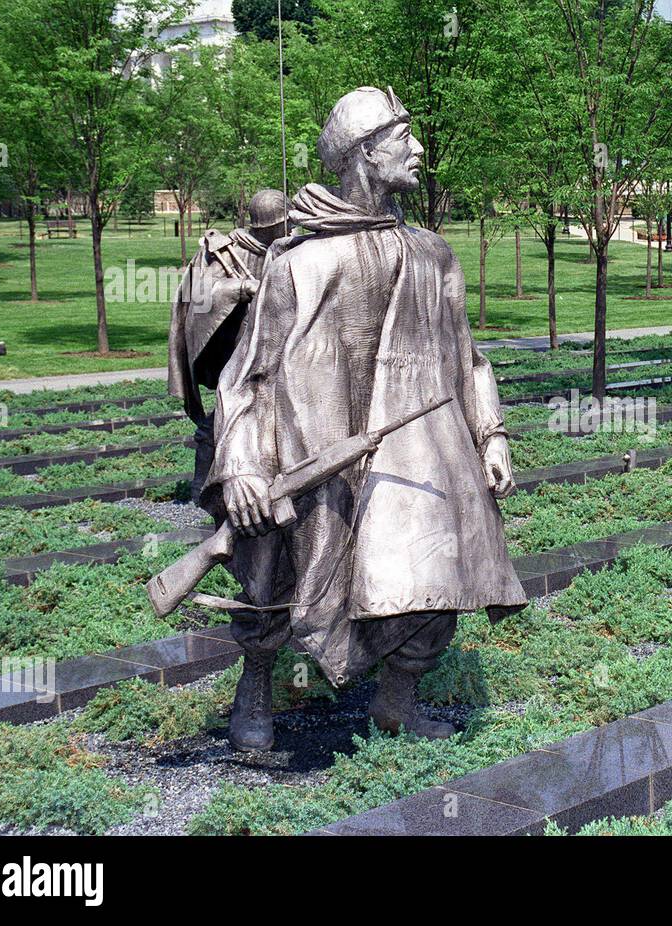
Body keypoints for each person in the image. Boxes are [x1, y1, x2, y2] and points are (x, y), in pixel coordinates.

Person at [205, 86, 528, 751]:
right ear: (363, 152)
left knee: (439, 565)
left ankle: (397, 699)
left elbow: (467, 359)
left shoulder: (432, 255)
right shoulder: (298, 262)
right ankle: (256, 682)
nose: (418, 150)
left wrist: (490, 434)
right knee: (271, 564)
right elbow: (251, 373)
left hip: (411, 453)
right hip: (311, 450)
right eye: (403, 137)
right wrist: (240, 465)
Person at [167, 189, 290, 501]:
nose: (289, 228)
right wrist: (241, 287)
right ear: (268, 226)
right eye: (284, 224)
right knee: (223, 415)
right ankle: (201, 488)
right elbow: (201, 293)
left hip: (273, 343)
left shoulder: (285, 249)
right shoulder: (227, 250)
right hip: (233, 347)